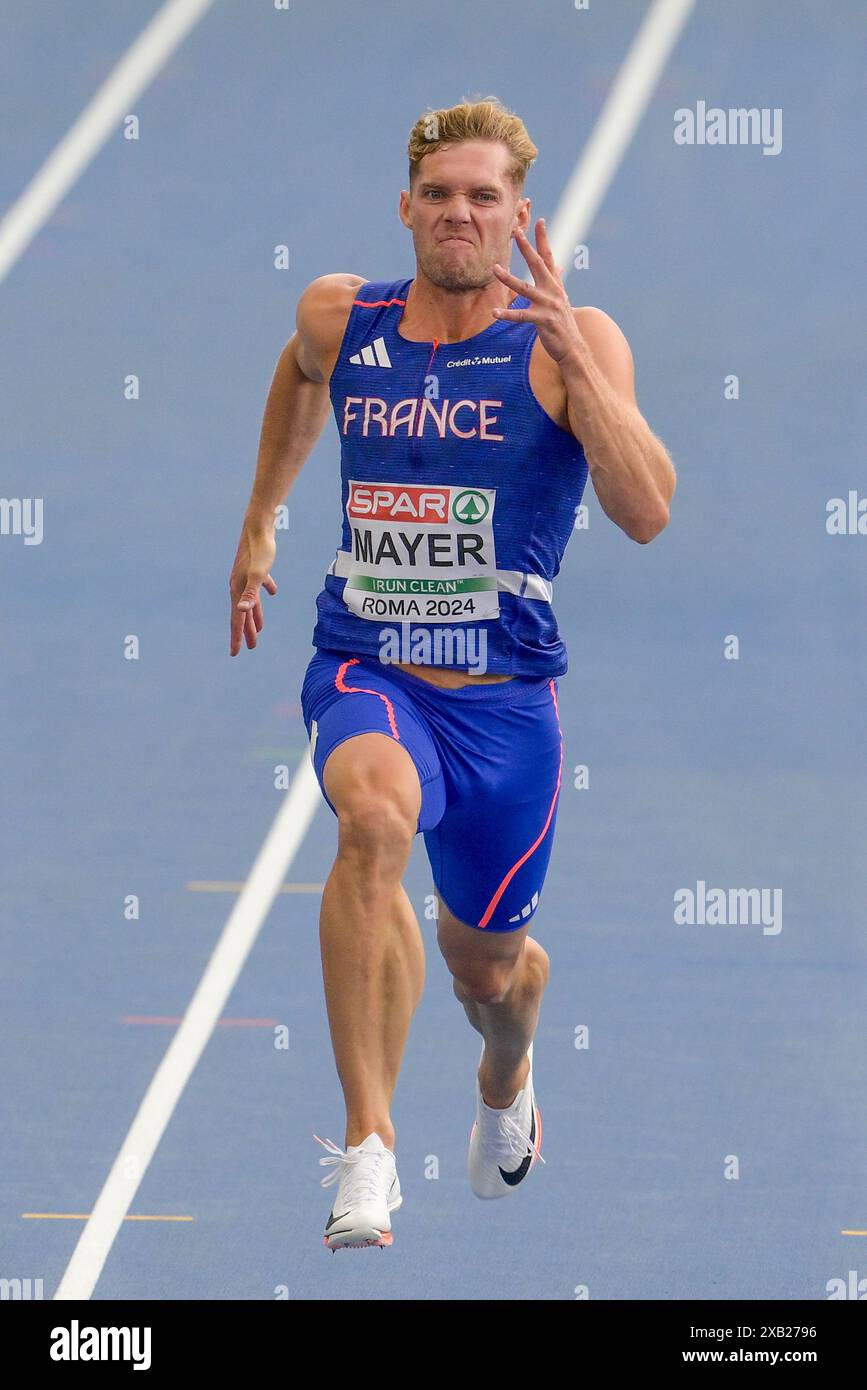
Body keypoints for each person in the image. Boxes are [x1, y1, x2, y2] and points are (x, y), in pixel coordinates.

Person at [229, 97, 676, 1250]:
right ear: (407, 209)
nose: (461, 215)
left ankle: (507, 1071)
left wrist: (580, 361)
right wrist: (264, 518)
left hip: (505, 712)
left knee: (490, 972)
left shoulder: (569, 341)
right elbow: (297, 373)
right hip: (369, 669)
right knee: (369, 821)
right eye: (440, 196)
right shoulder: (348, 317)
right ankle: (369, 1146)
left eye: (485, 198)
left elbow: (648, 511)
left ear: (520, 214)